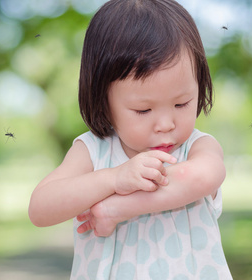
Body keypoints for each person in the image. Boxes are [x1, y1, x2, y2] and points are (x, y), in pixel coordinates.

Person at [28, 0, 233, 279]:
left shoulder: (196, 147)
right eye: (143, 110)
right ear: (103, 100)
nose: (165, 124)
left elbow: (205, 177)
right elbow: (40, 209)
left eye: (182, 103)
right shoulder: (93, 152)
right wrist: (113, 179)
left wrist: (117, 208)